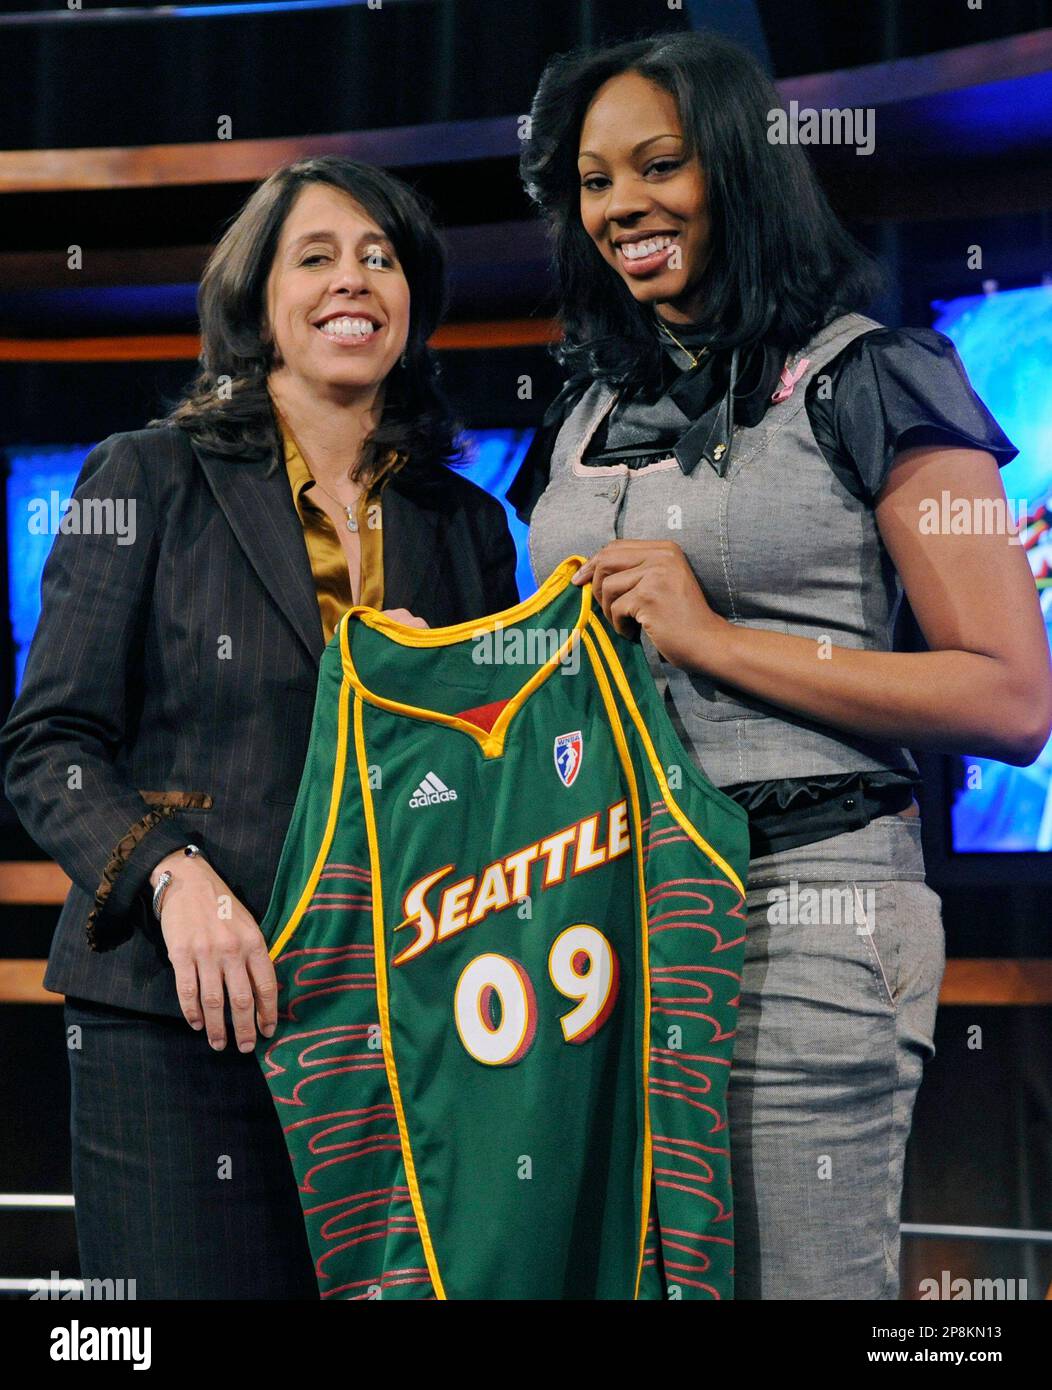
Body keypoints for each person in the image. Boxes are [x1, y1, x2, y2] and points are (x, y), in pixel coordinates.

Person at [509, 32, 1052, 1299]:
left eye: (658, 164)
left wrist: (711, 639)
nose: (619, 208)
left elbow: (1011, 696)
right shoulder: (582, 408)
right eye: (592, 182)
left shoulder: (876, 374)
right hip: (594, 921)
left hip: (801, 916)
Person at [0, 155, 519, 1299]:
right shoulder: (144, 475)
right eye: (317, 256)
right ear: (257, 301)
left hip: (407, 1034)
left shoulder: (466, 524)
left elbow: (495, 780)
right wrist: (174, 878)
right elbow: (47, 744)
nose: (353, 280)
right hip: (176, 1033)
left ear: (412, 300)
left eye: (380, 258)